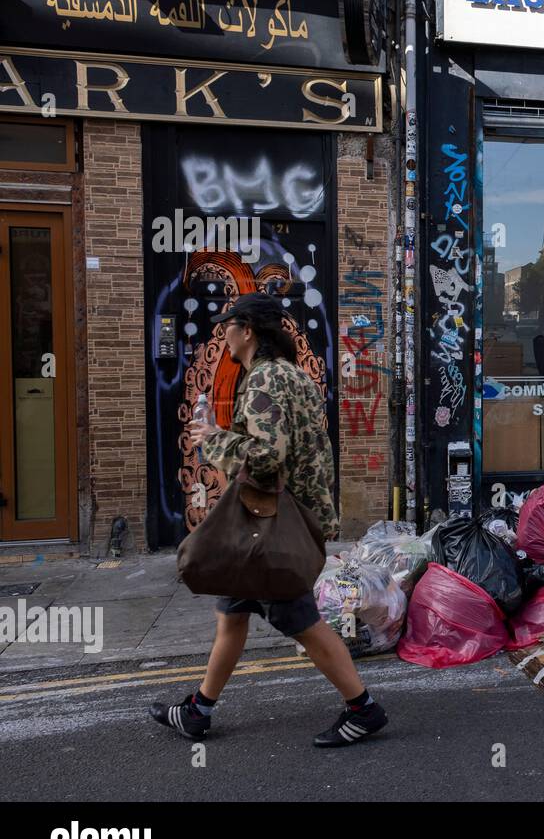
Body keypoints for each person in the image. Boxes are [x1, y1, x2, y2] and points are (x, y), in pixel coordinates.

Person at [151, 292, 389, 747]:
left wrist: (214, 440)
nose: (223, 335)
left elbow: (266, 458)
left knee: (301, 620)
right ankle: (198, 711)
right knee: (232, 614)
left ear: (249, 331)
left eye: (229, 327)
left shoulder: (264, 380)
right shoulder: (291, 374)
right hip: (278, 520)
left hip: (277, 527)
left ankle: (365, 710)